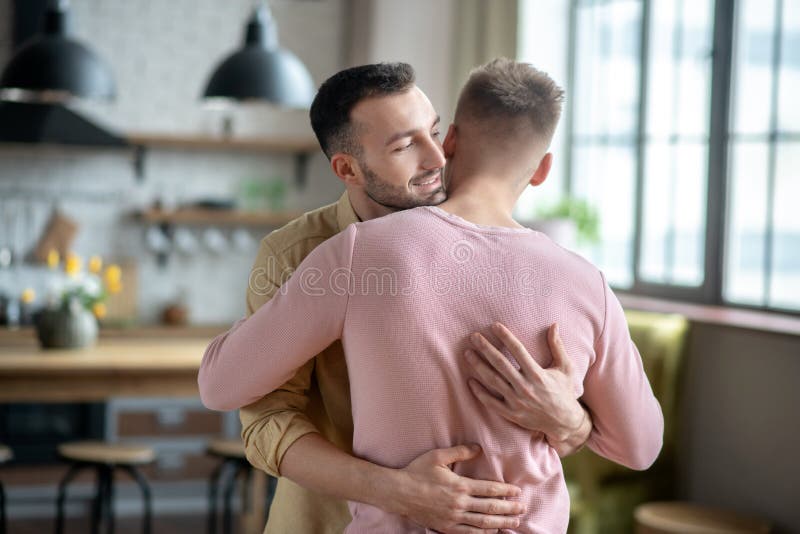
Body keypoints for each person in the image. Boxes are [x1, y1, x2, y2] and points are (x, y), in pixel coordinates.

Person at [224, 62, 596, 533]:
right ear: (347, 168)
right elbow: (265, 420)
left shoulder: (500, 244)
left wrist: (570, 421)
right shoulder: (295, 254)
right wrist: (397, 490)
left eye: (435, 132)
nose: (438, 158)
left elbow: (588, 425)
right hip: (327, 523)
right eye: (404, 145)